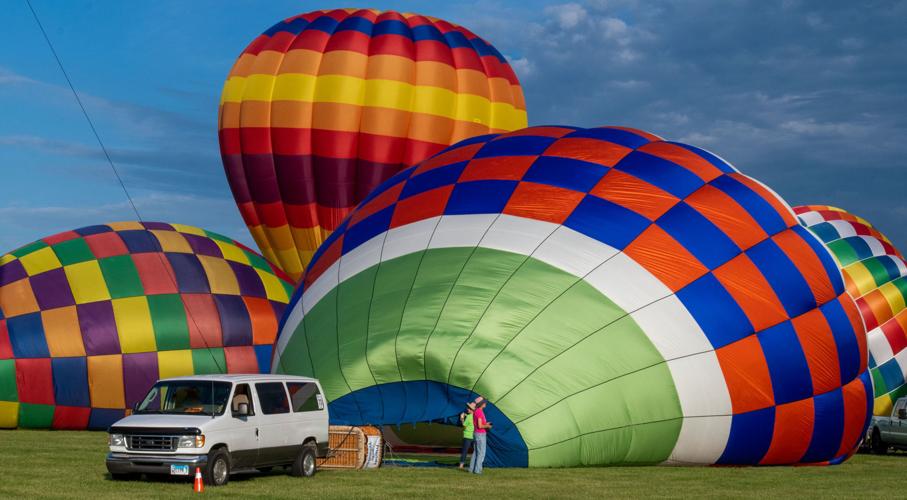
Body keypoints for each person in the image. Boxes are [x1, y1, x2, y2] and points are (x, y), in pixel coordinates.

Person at [469, 398, 492, 474]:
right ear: (481, 404)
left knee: (476, 452)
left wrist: (486, 424)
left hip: (476, 433)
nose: (485, 404)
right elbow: (480, 425)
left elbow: (478, 424)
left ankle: (471, 469)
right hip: (480, 434)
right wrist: (487, 426)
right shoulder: (479, 412)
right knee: (481, 453)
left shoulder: (476, 411)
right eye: (484, 402)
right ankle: (478, 470)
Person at [458, 402, 476, 469]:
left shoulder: (468, 417)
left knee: (464, 451)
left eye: (469, 408)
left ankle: (461, 465)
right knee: (475, 451)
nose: (467, 409)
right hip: (474, 436)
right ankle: (476, 464)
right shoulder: (475, 416)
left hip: (467, 436)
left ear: (471, 410)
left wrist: (462, 418)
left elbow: (464, 426)